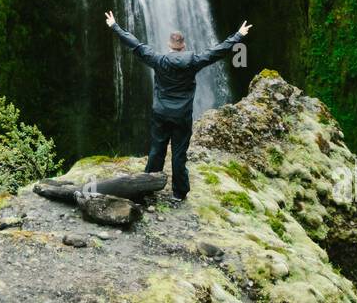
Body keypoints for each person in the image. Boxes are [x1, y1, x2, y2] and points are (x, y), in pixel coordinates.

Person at [104, 11, 251, 201]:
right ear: (184, 46)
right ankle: (179, 193)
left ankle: (148, 187)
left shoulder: (158, 60)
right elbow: (218, 51)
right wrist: (239, 35)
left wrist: (114, 25)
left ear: (169, 45)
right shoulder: (194, 61)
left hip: (161, 113)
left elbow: (135, 44)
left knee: (157, 150)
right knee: (179, 154)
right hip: (182, 115)